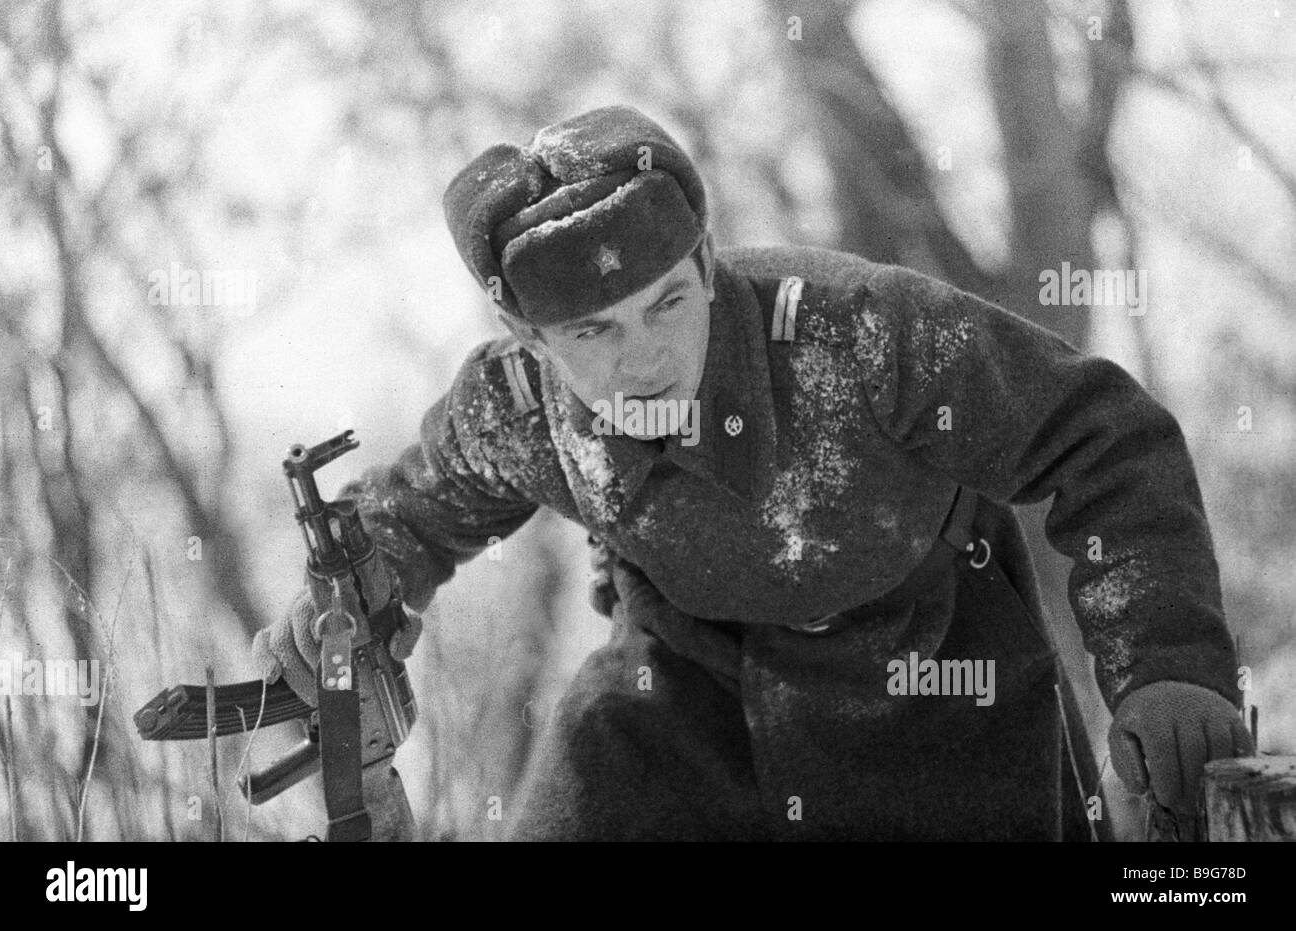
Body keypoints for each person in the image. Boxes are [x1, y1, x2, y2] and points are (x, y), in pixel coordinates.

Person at [254, 104, 1252, 840]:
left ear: (706, 264)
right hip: (679, 694)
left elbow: (1103, 436)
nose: (638, 356)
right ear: (529, 337)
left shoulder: (856, 336)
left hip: (934, 676)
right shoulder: (522, 408)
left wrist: (1164, 663)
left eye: (665, 307)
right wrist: (357, 596)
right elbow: (417, 513)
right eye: (591, 332)